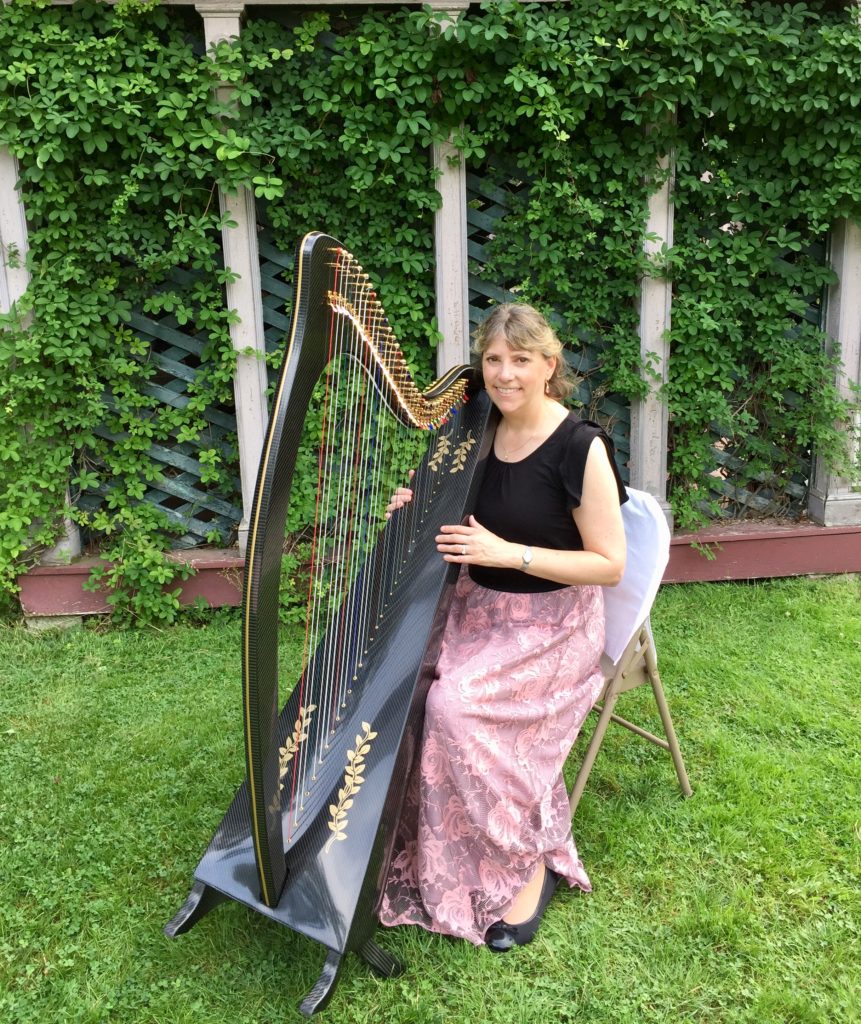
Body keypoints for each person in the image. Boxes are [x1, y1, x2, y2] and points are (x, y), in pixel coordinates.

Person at [378, 303, 628, 952]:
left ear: (549, 366)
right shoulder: (475, 426)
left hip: (552, 624)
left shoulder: (580, 447)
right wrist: (414, 504)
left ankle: (525, 866)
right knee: (398, 680)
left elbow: (608, 564)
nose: (505, 373)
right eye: (493, 359)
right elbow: (445, 510)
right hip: (476, 606)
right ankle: (401, 843)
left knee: (456, 709)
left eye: (521, 360)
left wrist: (505, 553)